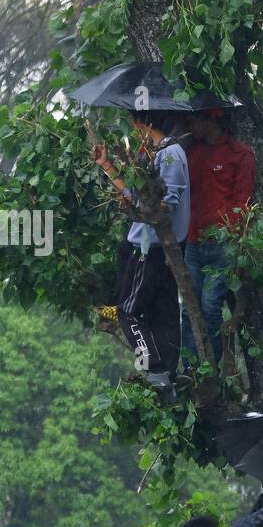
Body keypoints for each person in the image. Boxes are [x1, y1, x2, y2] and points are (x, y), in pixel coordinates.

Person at [92, 110, 189, 396]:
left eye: (134, 123)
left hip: (150, 248)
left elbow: (165, 207)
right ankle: (167, 374)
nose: (134, 131)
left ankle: (153, 367)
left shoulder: (169, 155)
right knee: (164, 313)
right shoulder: (155, 153)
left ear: (144, 123)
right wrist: (108, 166)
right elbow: (138, 200)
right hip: (157, 247)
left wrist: (139, 205)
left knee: (127, 312)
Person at [182, 107, 255, 366]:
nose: (190, 124)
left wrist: (221, 224)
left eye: (195, 119)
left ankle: (208, 368)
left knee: (210, 305)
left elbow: (242, 203)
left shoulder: (241, 154)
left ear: (211, 118)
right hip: (192, 242)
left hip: (221, 246)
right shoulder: (192, 151)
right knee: (189, 306)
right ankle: (189, 370)